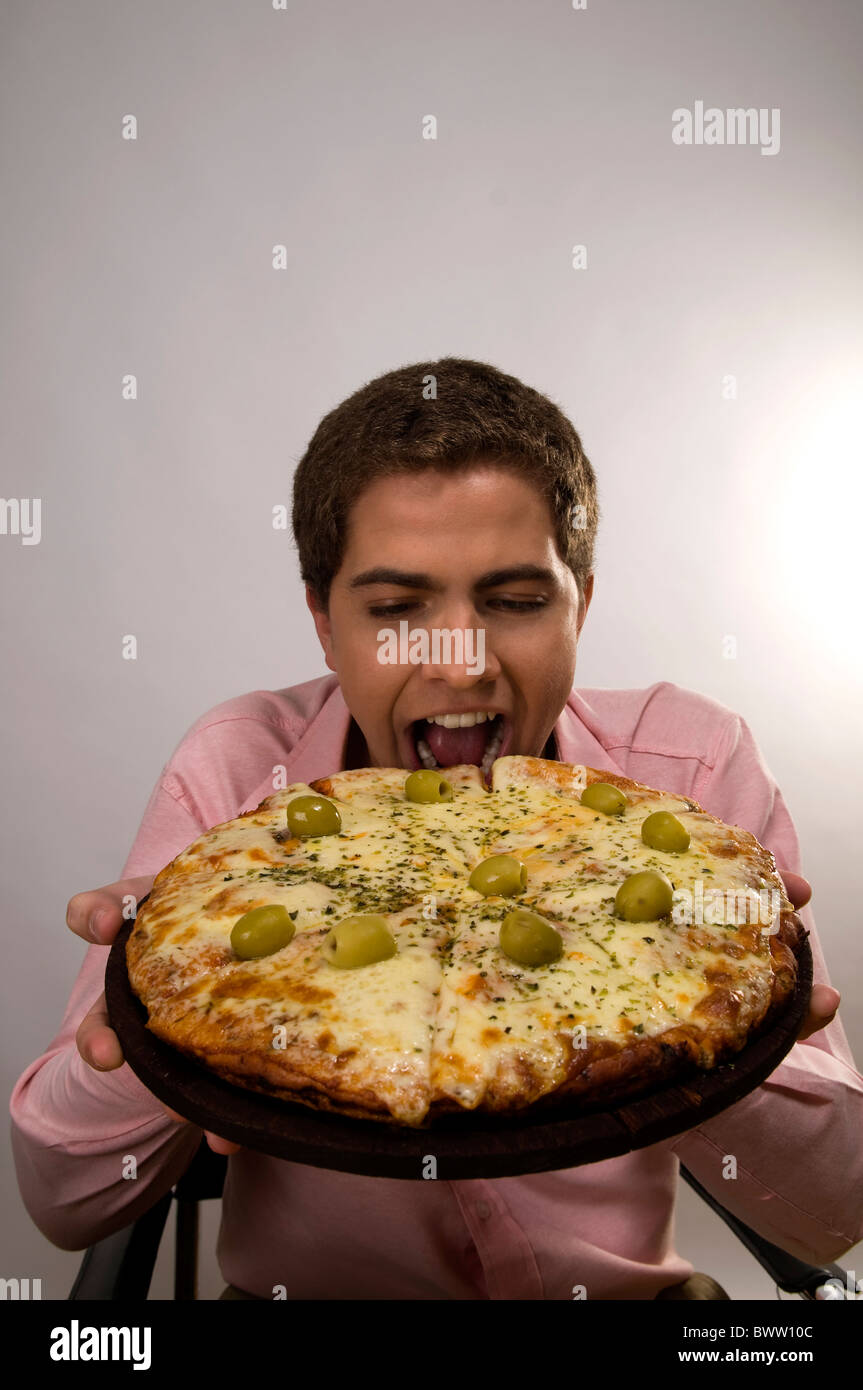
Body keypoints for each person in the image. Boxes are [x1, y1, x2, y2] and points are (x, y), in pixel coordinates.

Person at [10, 358, 862, 1300]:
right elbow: (65, 1203)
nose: (459, 666)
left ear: (582, 600)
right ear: (323, 624)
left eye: (515, 601)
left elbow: (837, 1211)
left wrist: (709, 1032)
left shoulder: (688, 769)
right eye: (396, 609)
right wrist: (167, 1004)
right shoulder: (240, 785)